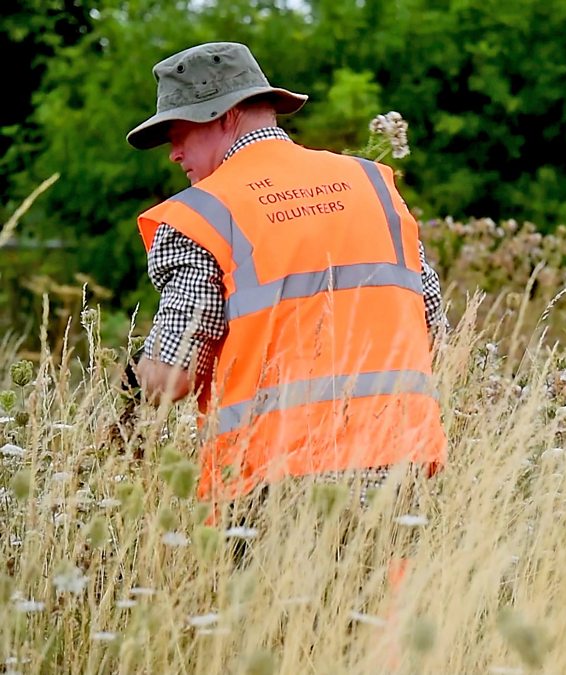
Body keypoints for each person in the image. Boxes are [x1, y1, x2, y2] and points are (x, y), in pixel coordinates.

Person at [127, 42, 448, 511]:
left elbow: (172, 378)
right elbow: (433, 325)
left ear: (222, 115)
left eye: (178, 132)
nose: (174, 154)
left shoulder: (202, 215)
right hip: (399, 469)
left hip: (273, 485)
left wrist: (131, 378)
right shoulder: (372, 186)